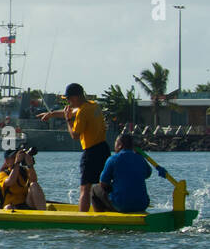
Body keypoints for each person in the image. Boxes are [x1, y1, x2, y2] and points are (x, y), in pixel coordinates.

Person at [38, 82, 110, 211]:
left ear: (75, 97)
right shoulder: (94, 105)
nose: (68, 103)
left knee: (85, 187)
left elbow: (75, 135)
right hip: (104, 149)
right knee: (103, 184)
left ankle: (82, 217)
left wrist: (68, 120)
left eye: (69, 99)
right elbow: (72, 111)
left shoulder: (82, 112)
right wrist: (52, 114)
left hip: (91, 151)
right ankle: (108, 211)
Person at [92, 132, 155, 213]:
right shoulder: (140, 158)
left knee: (95, 189)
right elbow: (148, 174)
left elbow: (103, 183)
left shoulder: (113, 159)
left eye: (116, 142)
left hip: (122, 205)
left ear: (120, 145)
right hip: (142, 204)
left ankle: (101, 220)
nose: (114, 145)